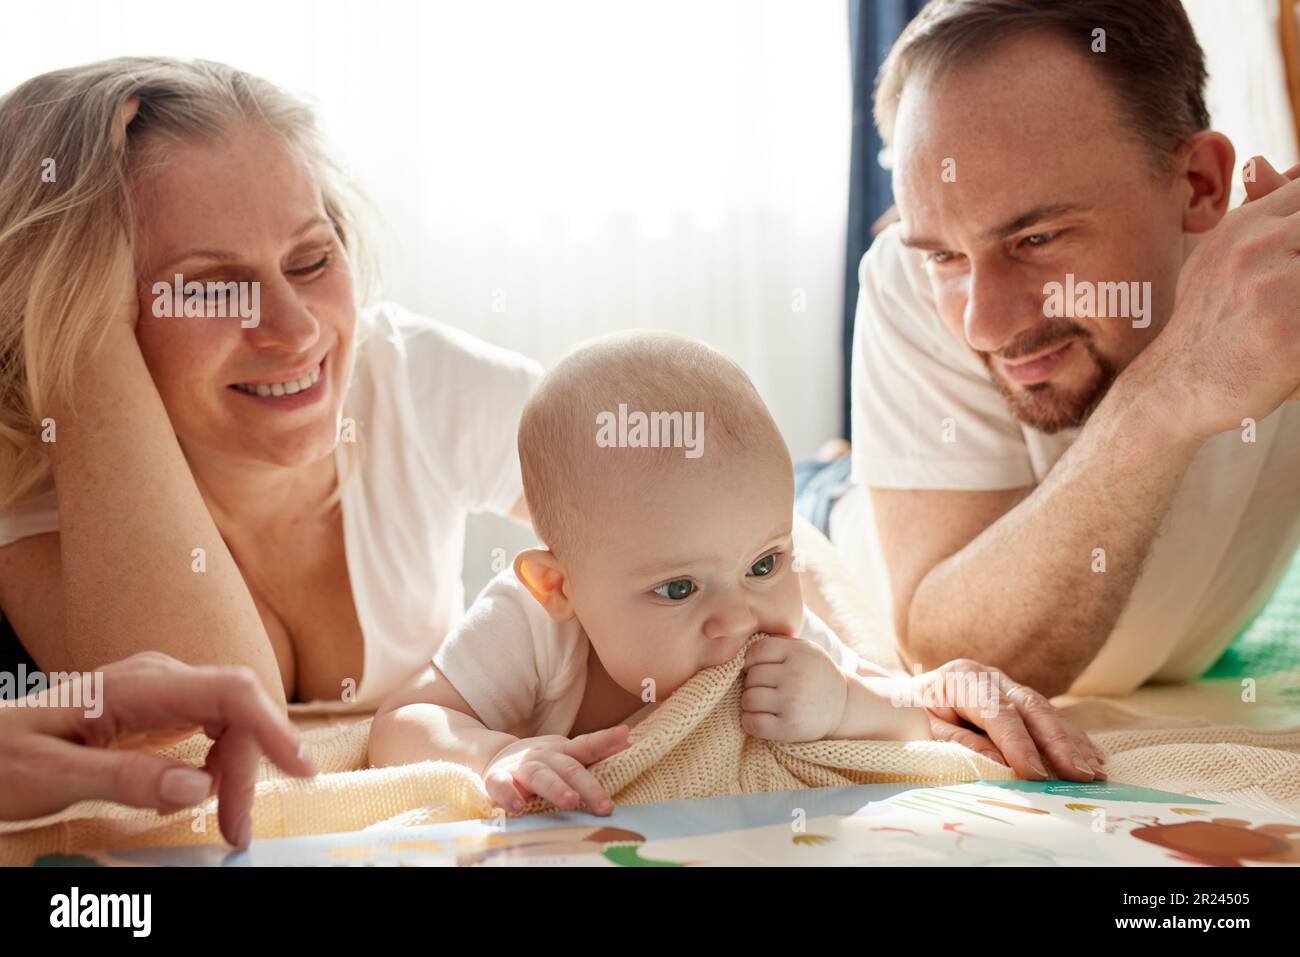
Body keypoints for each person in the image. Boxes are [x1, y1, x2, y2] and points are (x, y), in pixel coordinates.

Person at [840, 0, 1300, 697]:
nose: (983, 329)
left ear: (1200, 185)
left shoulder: (1274, 292)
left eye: (1037, 238)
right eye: (946, 255)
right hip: (854, 541)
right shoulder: (903, 284)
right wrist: (1165, 398)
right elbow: (951, 661)